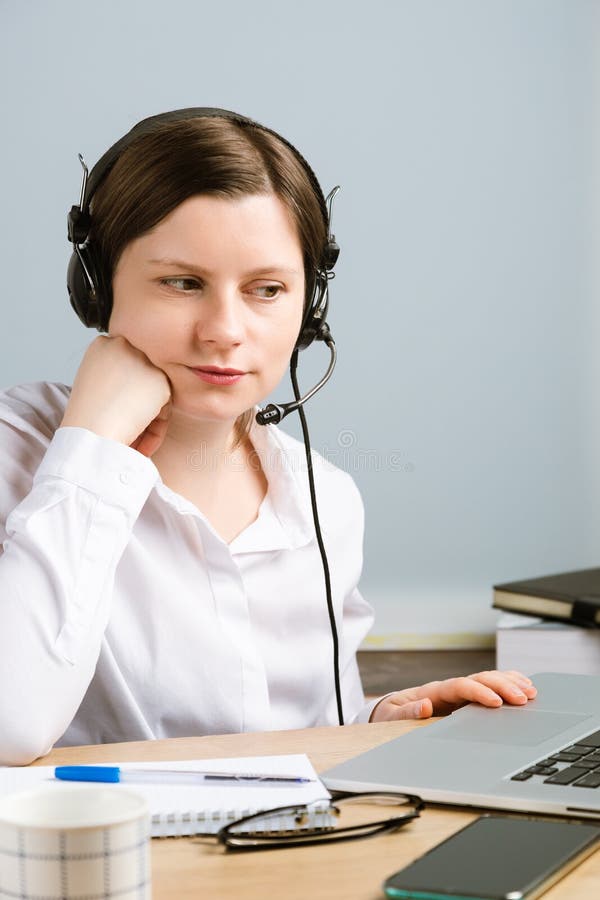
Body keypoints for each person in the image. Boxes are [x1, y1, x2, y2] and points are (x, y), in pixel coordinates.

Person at [0, 108, 536, 766]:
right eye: (183, 282)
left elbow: (295, 735)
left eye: (268, 289)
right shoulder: (18, 452)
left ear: (308, 306)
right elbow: (11, 726)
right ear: (95, 287)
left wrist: (376, 722)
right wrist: (92, 446)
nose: (225, 329)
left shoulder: (324, 497)